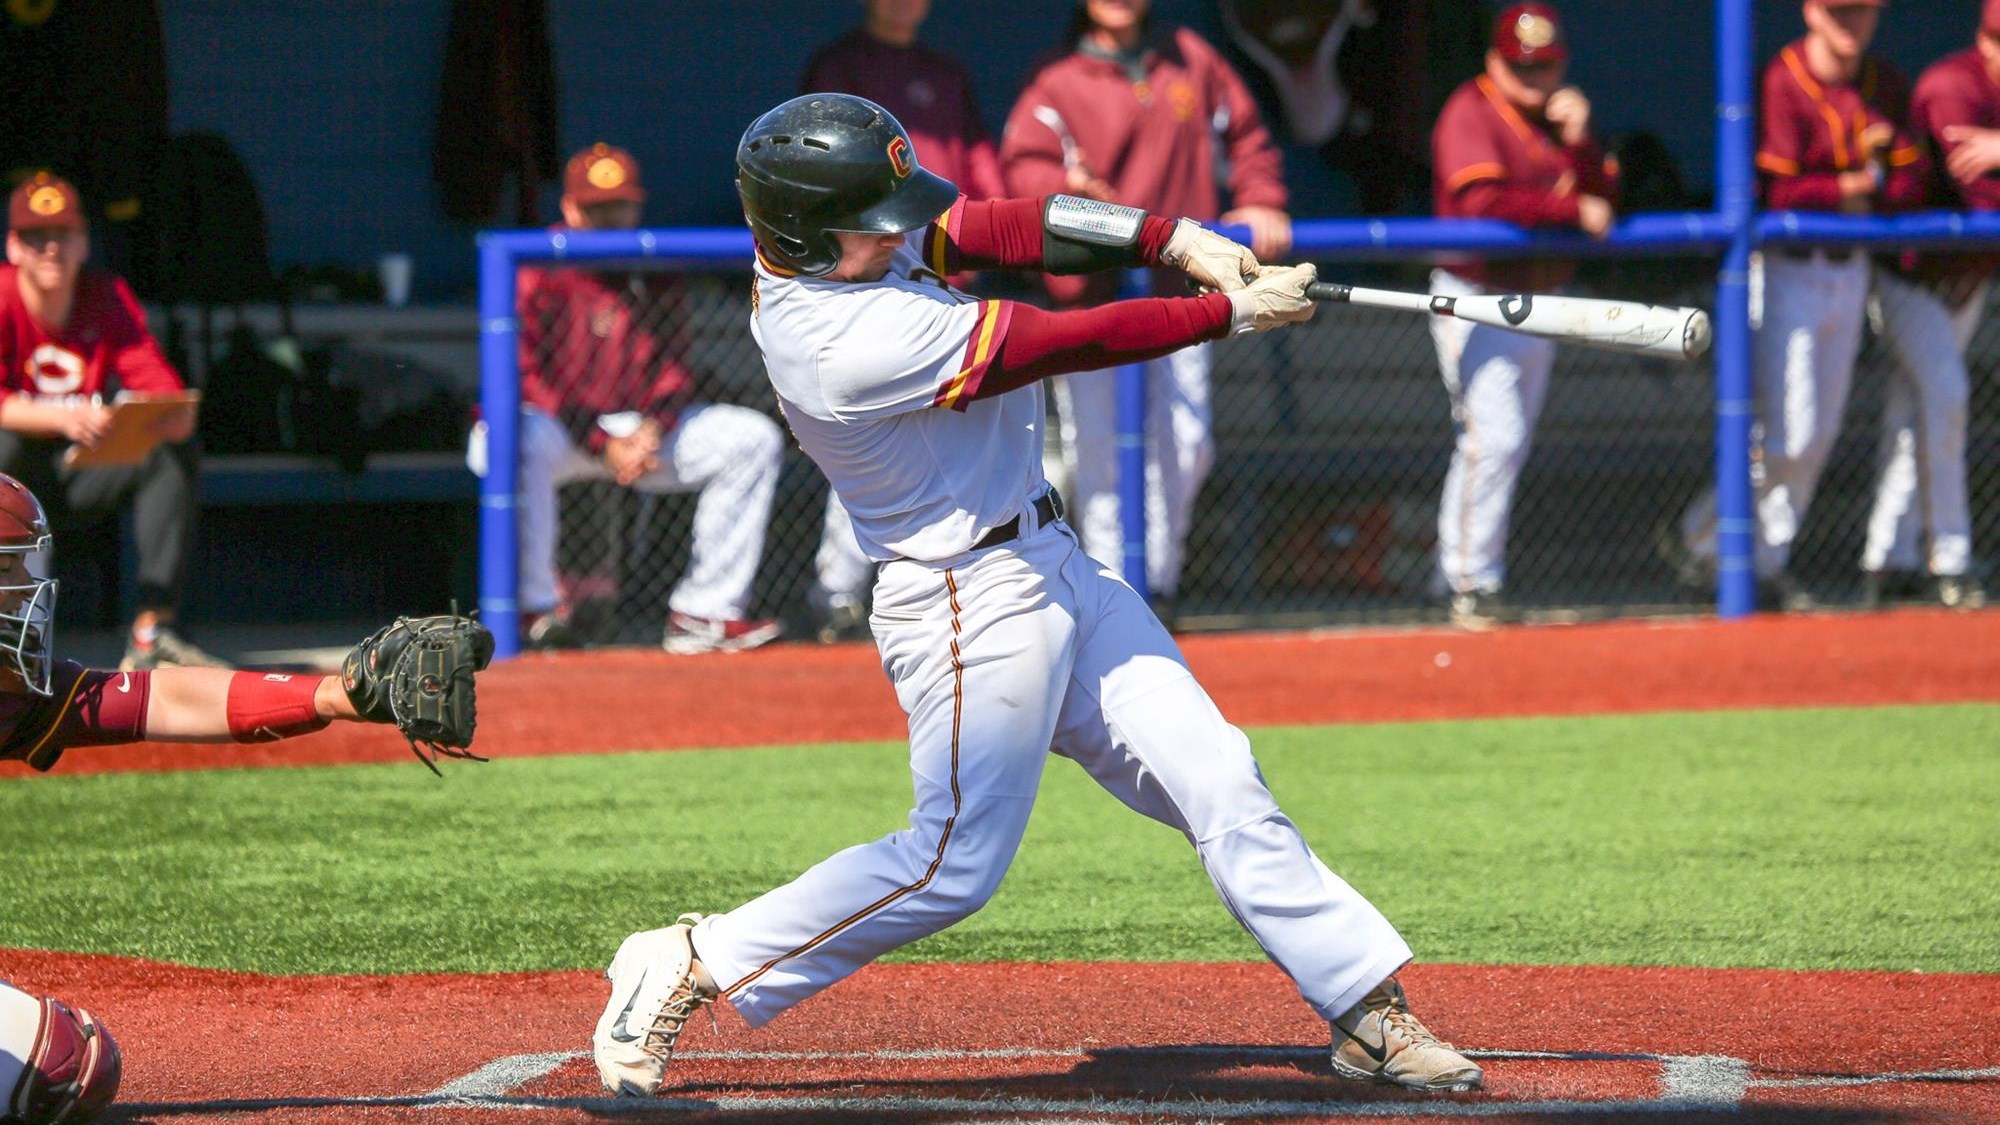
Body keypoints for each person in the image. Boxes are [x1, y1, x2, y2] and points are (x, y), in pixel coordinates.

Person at [590, 92, 1483, 1100]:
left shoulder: (846, 242)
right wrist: (1221, 313)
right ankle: (692, 959)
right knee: (950, 865)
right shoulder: (834, 336)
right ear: (799, 235)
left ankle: (1364, 1010)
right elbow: (1057, 341)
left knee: (1218, 777)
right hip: (965, 603)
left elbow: (1002, 223)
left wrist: (1175, 236)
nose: (898, 236)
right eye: (873, 225)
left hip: (1053, 561)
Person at [1000, 0, 1292, 623]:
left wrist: (1261, 199)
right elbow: (1023, 172)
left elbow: (1248, 140)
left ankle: (1154, 583)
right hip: (1096, 296)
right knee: (1102, 455)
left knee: (1187, 445)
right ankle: (1118, 596)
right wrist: (1069, 193)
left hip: (1181, 289)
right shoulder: (1056, 77)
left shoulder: (1190, 57)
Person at [466, 143, 786, 654]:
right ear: (570, 210)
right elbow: (524, 376)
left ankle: (705, 612)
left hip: (640, 432)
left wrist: (652, 428)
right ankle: (536, 607)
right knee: (511, 436)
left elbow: (675, 367)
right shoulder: (538, 264)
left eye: (620, 206)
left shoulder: (652, 263)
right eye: (597, 209)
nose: (611, 219)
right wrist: (598, 440)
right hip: (558, 429)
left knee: (751, 439)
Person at [1675, 0, 1925, 611]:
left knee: (1818, 434)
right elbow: (1780, 189)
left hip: (1851, 269)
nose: (1852, 21)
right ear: (1812, 12)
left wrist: (1887, 163)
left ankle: (1764, 563)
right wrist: (1853, 186)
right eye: (1840, 10)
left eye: (1862, 10)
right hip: (1788, 271)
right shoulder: (1783, 78)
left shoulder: (1884, 82)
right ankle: (1703, 538)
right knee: (1789, 432)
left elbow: (1915, 183)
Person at [0, 472, 487, 774]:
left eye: (23, 565)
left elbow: (162, 699)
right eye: (6, 567)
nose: (25, 586)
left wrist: (333, 695)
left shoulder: (13, 693)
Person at [802, 0, 1009, 640]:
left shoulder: (943, 72)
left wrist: (987, 233)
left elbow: (978, 165)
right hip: (868, 267)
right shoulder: (842, 66)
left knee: (936, 441)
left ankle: (945, 578)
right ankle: (839, 588)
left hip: (940, 269)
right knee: (872, 435)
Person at [1426, 2, 1619, 629]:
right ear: (1494, 61)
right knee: (1495, 437)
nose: (1536, 81)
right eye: (1523, 69)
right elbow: (1480, 199)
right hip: (1476, 294)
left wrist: (1583, 143)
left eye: (1545, 68)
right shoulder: (1470, 109)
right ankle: (1468, 580)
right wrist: (1567, 209)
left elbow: (1607, 197)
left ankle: (1455, 577)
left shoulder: (1560, 121)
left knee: (1502, 441)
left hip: (1540, 297)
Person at [0, 172, 222, 673]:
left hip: (79, 474)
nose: (51, 249)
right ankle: (5, 629)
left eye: (63, 235)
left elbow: (162, 387)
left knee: (170, 453)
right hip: (13, 482)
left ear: (83, 243)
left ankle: (152, 633)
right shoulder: (1, 296)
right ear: (14, 246)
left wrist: (171, 417)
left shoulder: (107, 295)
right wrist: (62, 417)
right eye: (37, 238)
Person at [1861, 2, 2000, 611]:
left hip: (1963, 278)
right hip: (1909, 275)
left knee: (1914, 412)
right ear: (1985, 36)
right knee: (1944, 394)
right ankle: (1951, 557)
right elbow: (1985, 203)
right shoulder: (1952, 85)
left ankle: (1890, 558)